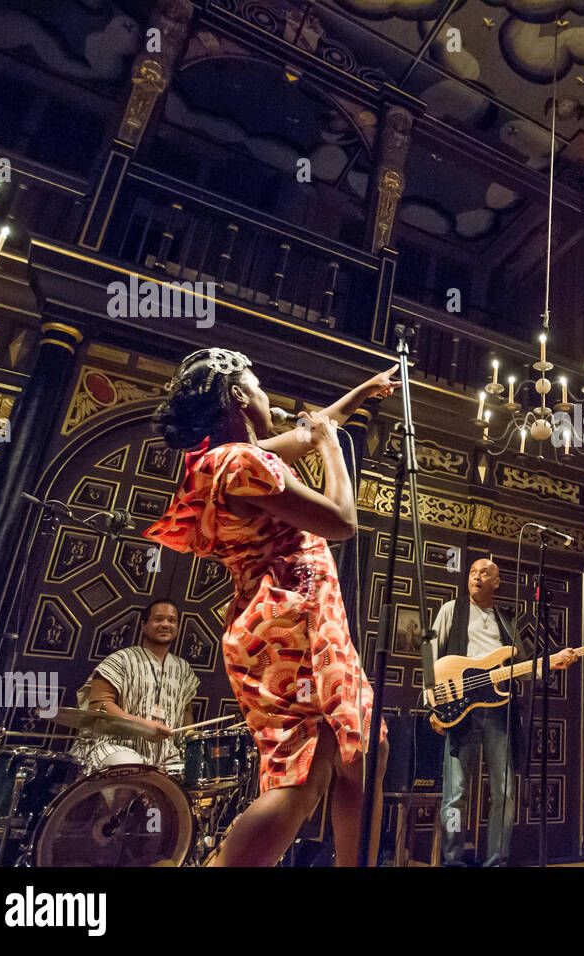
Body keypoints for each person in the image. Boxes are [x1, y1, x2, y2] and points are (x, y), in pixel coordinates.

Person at [144, 347, 397, 866]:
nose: (269, 398)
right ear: (238, 396)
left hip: (282, 613)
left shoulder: (220, 462)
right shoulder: (242, 462)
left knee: (364, 743)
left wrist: (361, 394)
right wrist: (332, 450)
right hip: (294, 618)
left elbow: (310, 429)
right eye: (259, 387)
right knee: (306, 769)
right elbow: (342, 521)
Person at [425, 558, 577, 866]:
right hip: (459, 710)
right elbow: (428, 653)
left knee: (505, 792)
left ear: (496, 583)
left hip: (498, 711)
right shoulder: (450, 611)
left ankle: (497, 860)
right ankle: (453, 860)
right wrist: (432, 701)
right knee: (455, 793)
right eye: (472, 572)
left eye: (485, 573)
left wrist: (553, 661)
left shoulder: (506, 621)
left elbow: (520, 668)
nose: (476, 577)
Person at [73, 598, 198, 772]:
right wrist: (142, 726)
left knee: (193, 773)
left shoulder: (184, 669)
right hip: (116, 746)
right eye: (158, 619)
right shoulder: (120, 660)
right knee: (130, 766)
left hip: (167, 754)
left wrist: (190, 738)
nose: (165, 624)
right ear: (143, 625)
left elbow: (186, 711)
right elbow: (99, 706)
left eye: (172, 620)